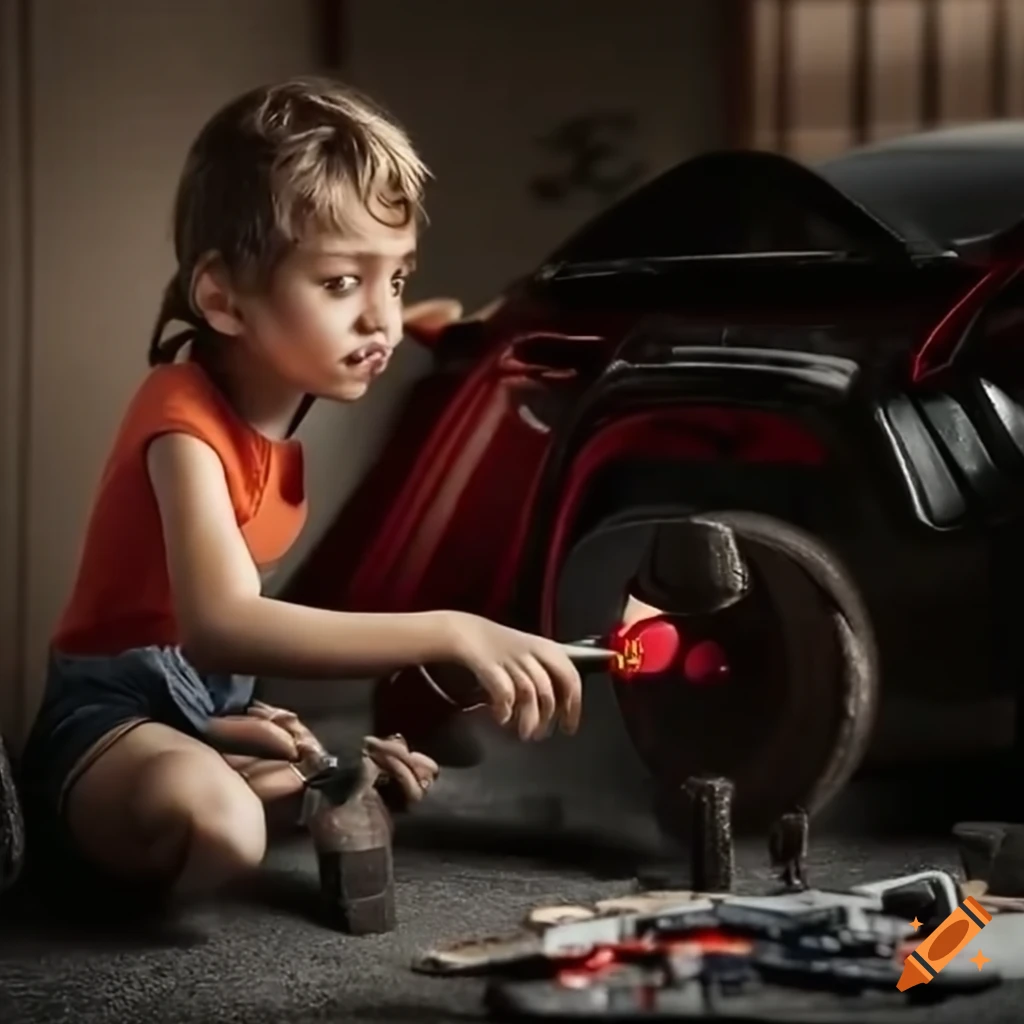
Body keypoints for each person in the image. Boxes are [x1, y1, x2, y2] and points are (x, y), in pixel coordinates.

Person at [17, 77, 582, 910]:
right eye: (340, 283)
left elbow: (402, 324)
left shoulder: (300, 384)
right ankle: (68, 830)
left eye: (394, 279)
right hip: (113, 716)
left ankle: (271, 782)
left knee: (329, 769)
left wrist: (419, 314)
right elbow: (221, 626)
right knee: (224, 825)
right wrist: (452, 631)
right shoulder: (178, 417)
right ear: (221, 299)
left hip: (210, 712)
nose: (379, 322)